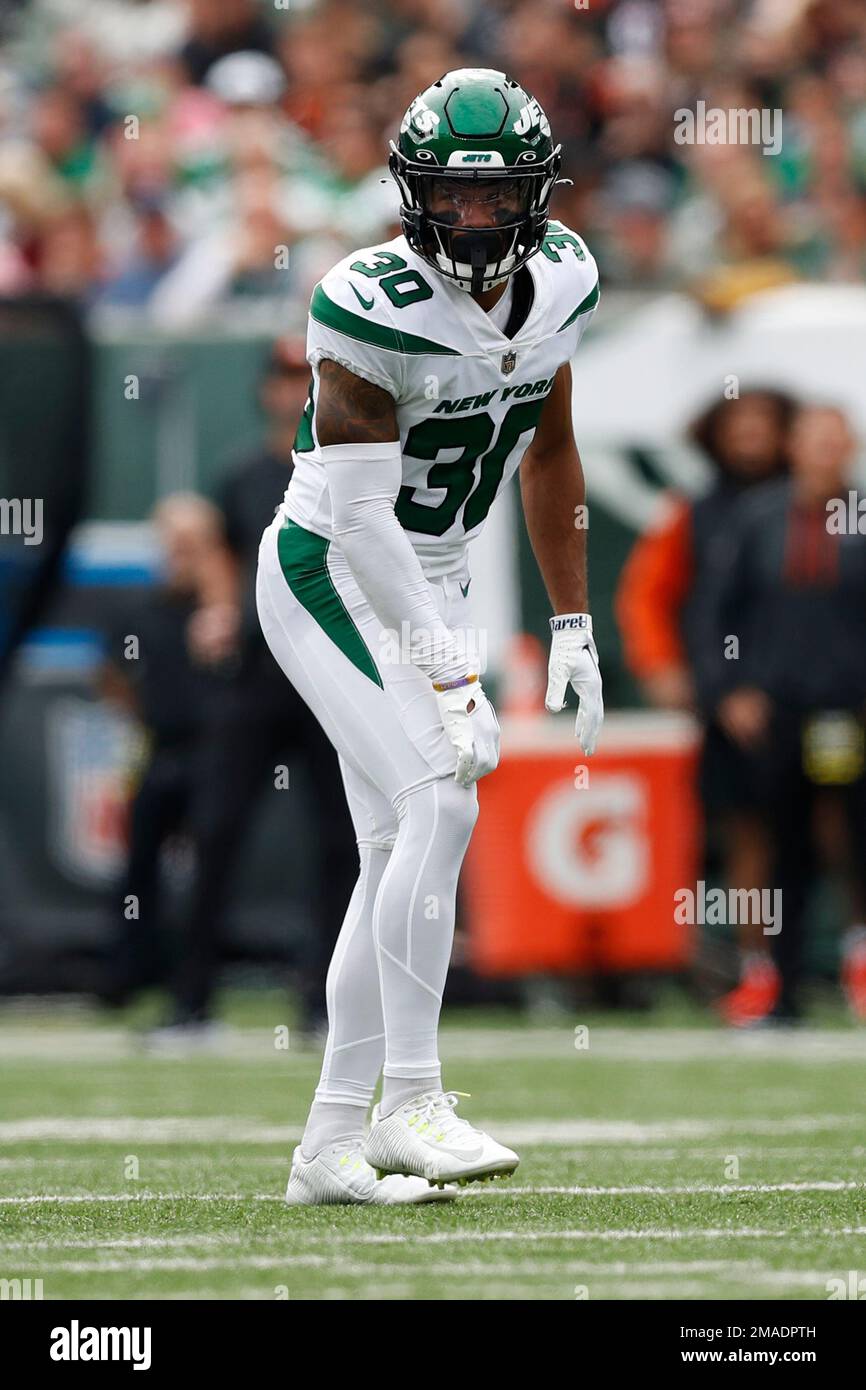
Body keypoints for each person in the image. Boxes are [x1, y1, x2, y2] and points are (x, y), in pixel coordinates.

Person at [256, 69, 603, 1205]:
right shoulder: (365, 301)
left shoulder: (561, 283)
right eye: (448, 195)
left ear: (536, 195)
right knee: (443, 796)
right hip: (331, 566)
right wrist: (447, 667)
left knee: (396, 849)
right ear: (410, 194)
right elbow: (358, 517)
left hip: (434, 573)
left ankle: (325, 1147)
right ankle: (409, 1098)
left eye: (493, 192)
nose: (469, 217)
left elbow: (549, 448)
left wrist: (570, 616)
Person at [152, 339, 357, 1041]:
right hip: (258, 672)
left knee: (343, 841)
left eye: (303, 376)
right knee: (215, 832)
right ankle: (191, 1001)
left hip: (329, 674)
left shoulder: (345, 469)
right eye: (283, 377)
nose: (290, 388)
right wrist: (217, 609)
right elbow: (222, 557)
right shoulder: (243, 475)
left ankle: (325, 1003)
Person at [615, 389, 794, 1026]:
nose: (750, 435)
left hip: (819, 698)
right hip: (732, 704)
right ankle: (757, 969)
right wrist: (664, 667)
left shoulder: (823, 505)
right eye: (737, 422)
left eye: (763, 422)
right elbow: (648, 595)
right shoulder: (693, 512)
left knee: (836, 833)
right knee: (745, 834)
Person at [710, 403, 866, 1023]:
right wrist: (731, 687)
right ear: (793, 446)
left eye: (835, 439)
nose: (824, 451)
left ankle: (855, 960)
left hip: (847, 707)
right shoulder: (758, 518)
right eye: (813, 439)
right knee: (780, 840)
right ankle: (782, 981)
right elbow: (719, 608)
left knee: (851, 835)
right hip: (776, 708)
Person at [100, 494, 224, 1001]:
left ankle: (193, 979)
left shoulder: (225, 614)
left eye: (192, 545)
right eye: (174, 544)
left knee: (211, 867)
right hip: (159, 748)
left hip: (214, 753)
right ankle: (130, 973)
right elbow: (111, 676)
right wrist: (141, 719)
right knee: (137, 867)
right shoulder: (142, 610)